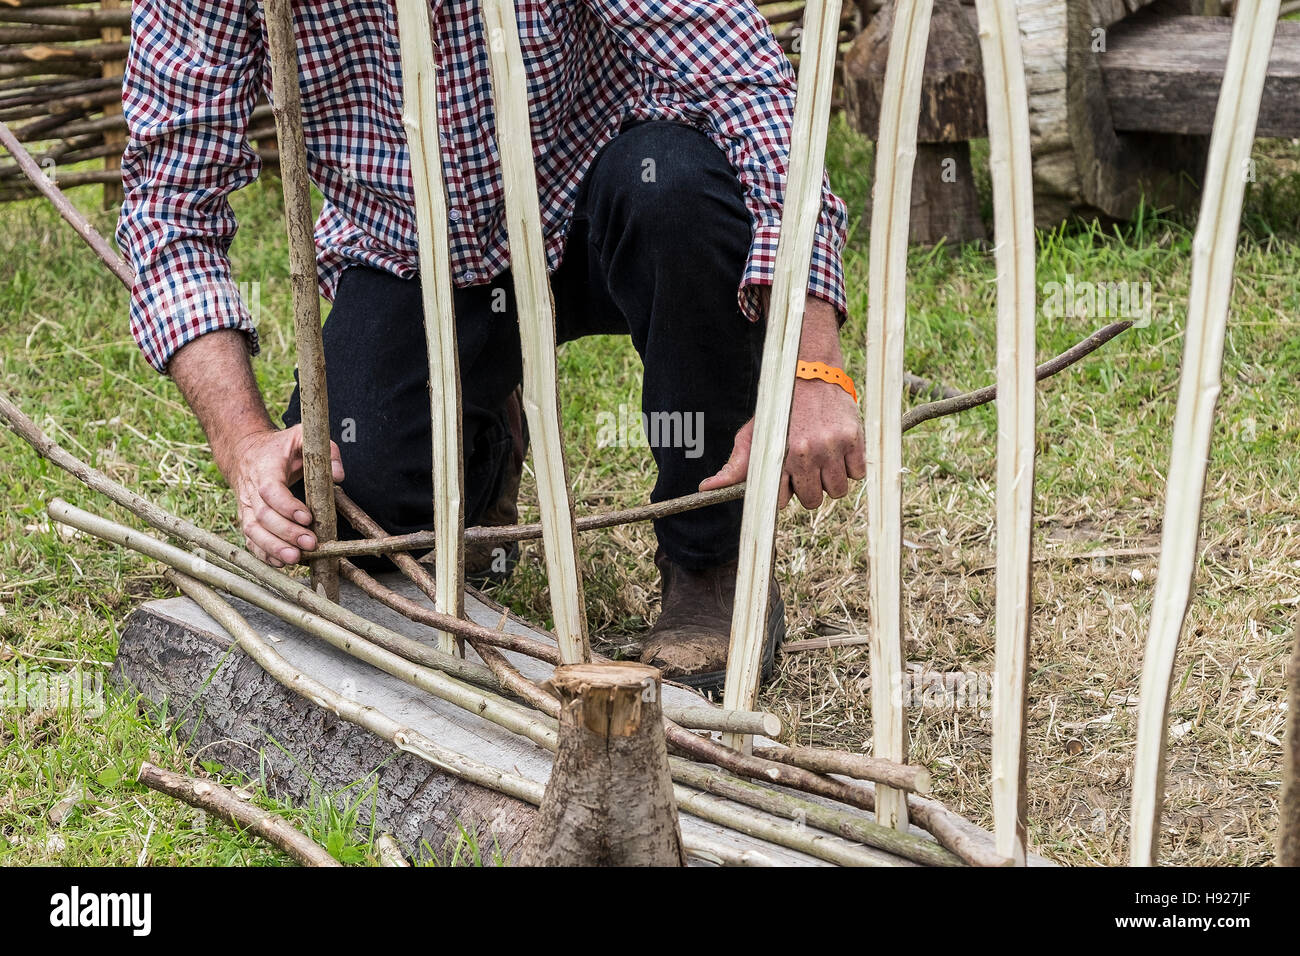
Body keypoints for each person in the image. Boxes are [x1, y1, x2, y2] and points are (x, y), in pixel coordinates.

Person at [117, 0, 866, 690]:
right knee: (348, 515)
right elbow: (169, 208)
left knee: (676, 191)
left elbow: (742, 81)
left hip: (595, 192)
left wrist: (812, 361)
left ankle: (712, 558)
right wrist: (243, 442)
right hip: (410, 251)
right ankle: (482, 444)